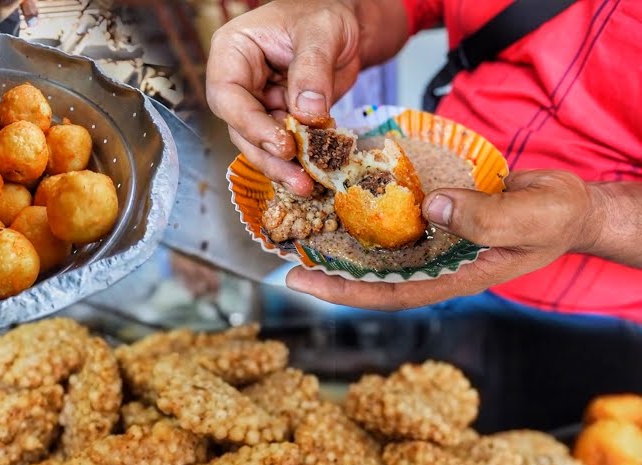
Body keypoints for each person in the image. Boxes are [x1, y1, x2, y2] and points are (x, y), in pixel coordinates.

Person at [205, 0, 642, 430]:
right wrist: (350, 18)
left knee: (474, 446)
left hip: (581, 316)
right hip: (399, 254)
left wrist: (596, 218)